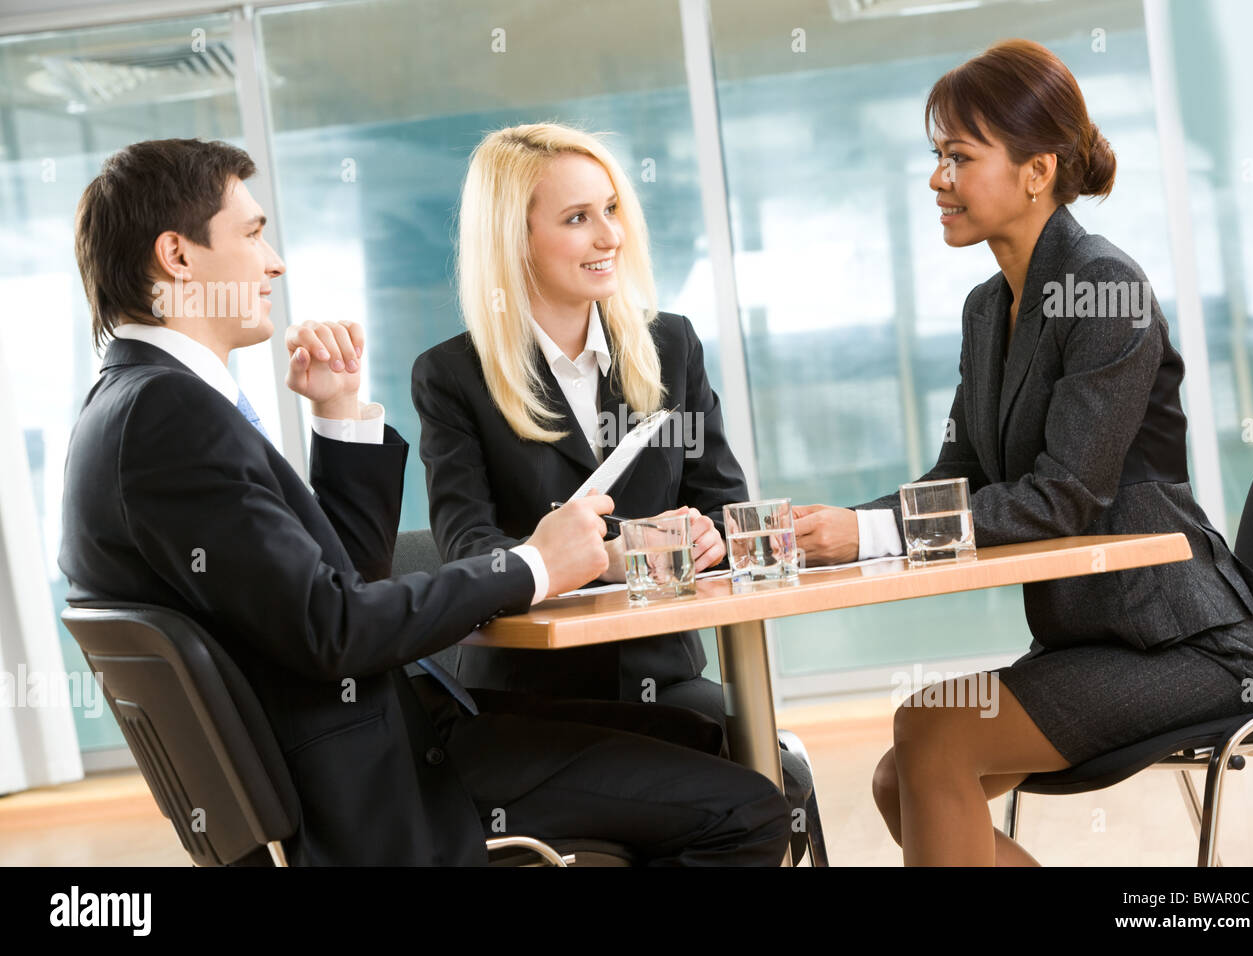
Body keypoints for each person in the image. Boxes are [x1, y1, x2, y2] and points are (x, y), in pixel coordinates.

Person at [58, 137, 790, 866]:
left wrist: (340, 416)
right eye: (252, 233)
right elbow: (335, 630)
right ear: (178, 257)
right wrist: (534, 565)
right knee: (749, 807)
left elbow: (337, 590)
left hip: (392, 746)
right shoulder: (168, 418)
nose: (274, 260)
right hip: (394, 781)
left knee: (715, 746)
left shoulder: (142, 405)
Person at [791, 40, 1253, 865]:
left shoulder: (1106, 288)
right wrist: (832, 527)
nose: (937, 179)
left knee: (932, 737)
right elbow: (956, 480)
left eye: (959, 156)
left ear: (1036, 170)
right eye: (936, 156)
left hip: (1185, 641)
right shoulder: (988, 311)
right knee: (897, 778)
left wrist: (871, 538)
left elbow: (1063, 496)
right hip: (1090, 637)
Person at [412, 122, 812, 860]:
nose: (609, 236)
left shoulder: (671, 346)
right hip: (534, 703)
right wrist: (607, 550)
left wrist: (711, 538)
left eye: (612, 209)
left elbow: (726, 507)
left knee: (778, 780)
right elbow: (470, 550)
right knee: (741, 796)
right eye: (576, 219)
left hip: (662, 675)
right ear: (514, 239)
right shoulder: (453, 378)